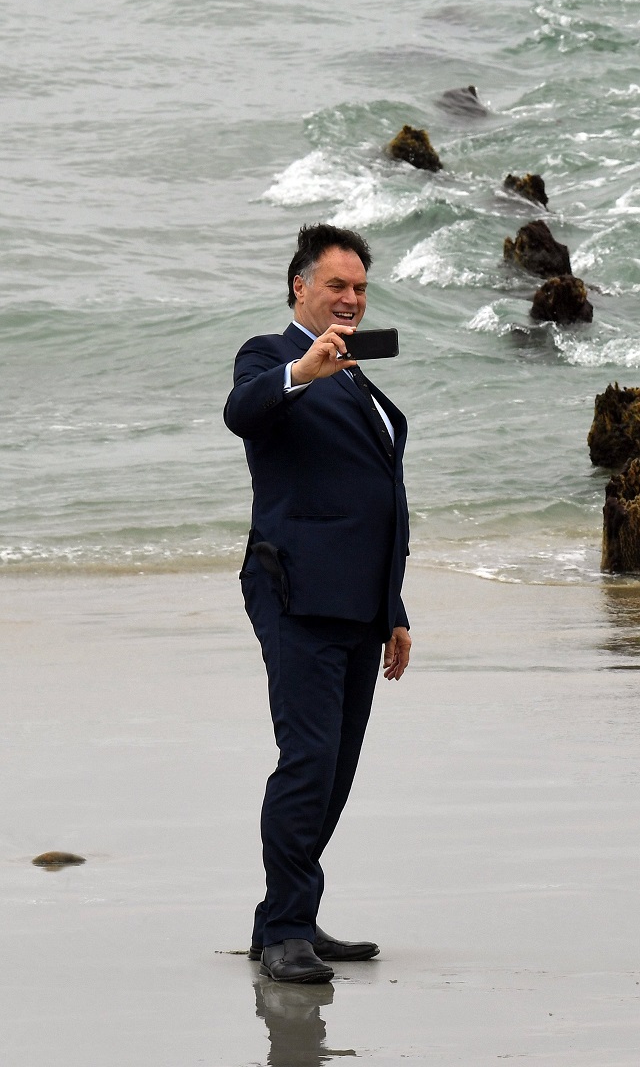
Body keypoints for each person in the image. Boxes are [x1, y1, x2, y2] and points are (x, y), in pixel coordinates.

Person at [224, 224, 412, 984]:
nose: (352, 299)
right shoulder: (272, 357)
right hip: (295, 587)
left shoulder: (358, 373)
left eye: (361, 288)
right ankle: (286, 934)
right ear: (300, 287)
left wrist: (393, 607)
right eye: (337, 285)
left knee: (335, 770)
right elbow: (244, 411)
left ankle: (285, 920)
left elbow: (381, 497)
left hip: (359, 601)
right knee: (306, 761)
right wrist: (303, 369)